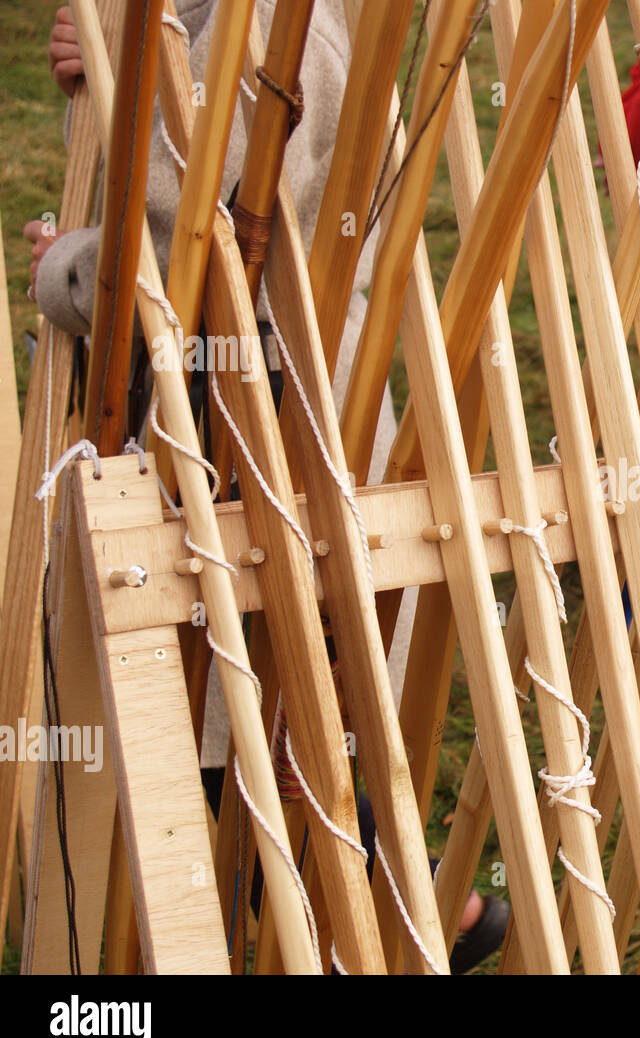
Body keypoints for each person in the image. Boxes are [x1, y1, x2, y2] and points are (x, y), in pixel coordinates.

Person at [26, 1, 505, 972]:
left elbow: (191, 257)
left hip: (256, 427)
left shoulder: (290, 34)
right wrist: (107, 83)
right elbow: (171, 169)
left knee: (259, 724)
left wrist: (66, 267)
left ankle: (404, 921)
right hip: (237, 422)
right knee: (254, 725)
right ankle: (402, 919)